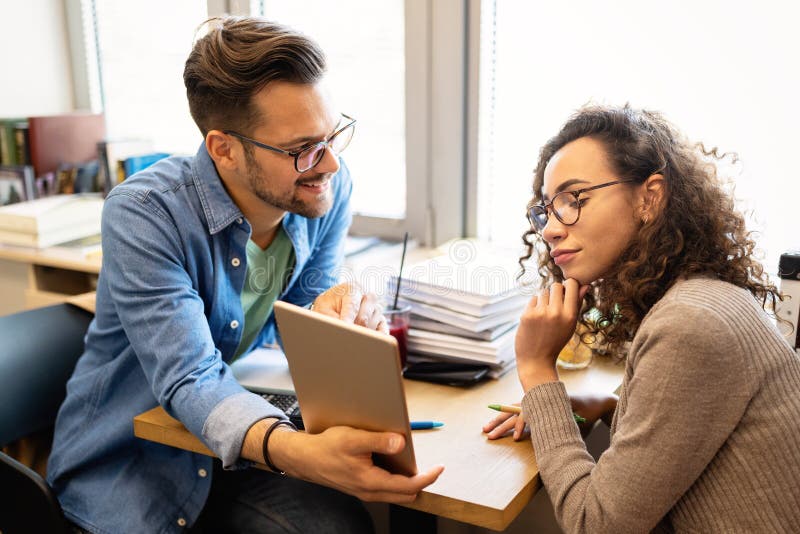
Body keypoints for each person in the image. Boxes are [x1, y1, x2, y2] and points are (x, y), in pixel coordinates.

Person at [47, 17, 443, 534]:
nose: (327, 165)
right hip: (130, 465)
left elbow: (297, 309)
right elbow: (190, 377)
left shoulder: (322, 190)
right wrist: (299, 452)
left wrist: (331, 311)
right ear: (224, 149)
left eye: (332, 136)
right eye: (302, 149)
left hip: (232, 448)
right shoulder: (145, 214)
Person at [483, 105, 800, 532]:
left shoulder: (688, 326)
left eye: (573, 200)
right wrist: (601, 405)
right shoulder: (700, 298)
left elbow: (593, 524)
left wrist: (537, 370)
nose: (549, 230)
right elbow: (683, 426)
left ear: (649, 197)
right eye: (547, 210)